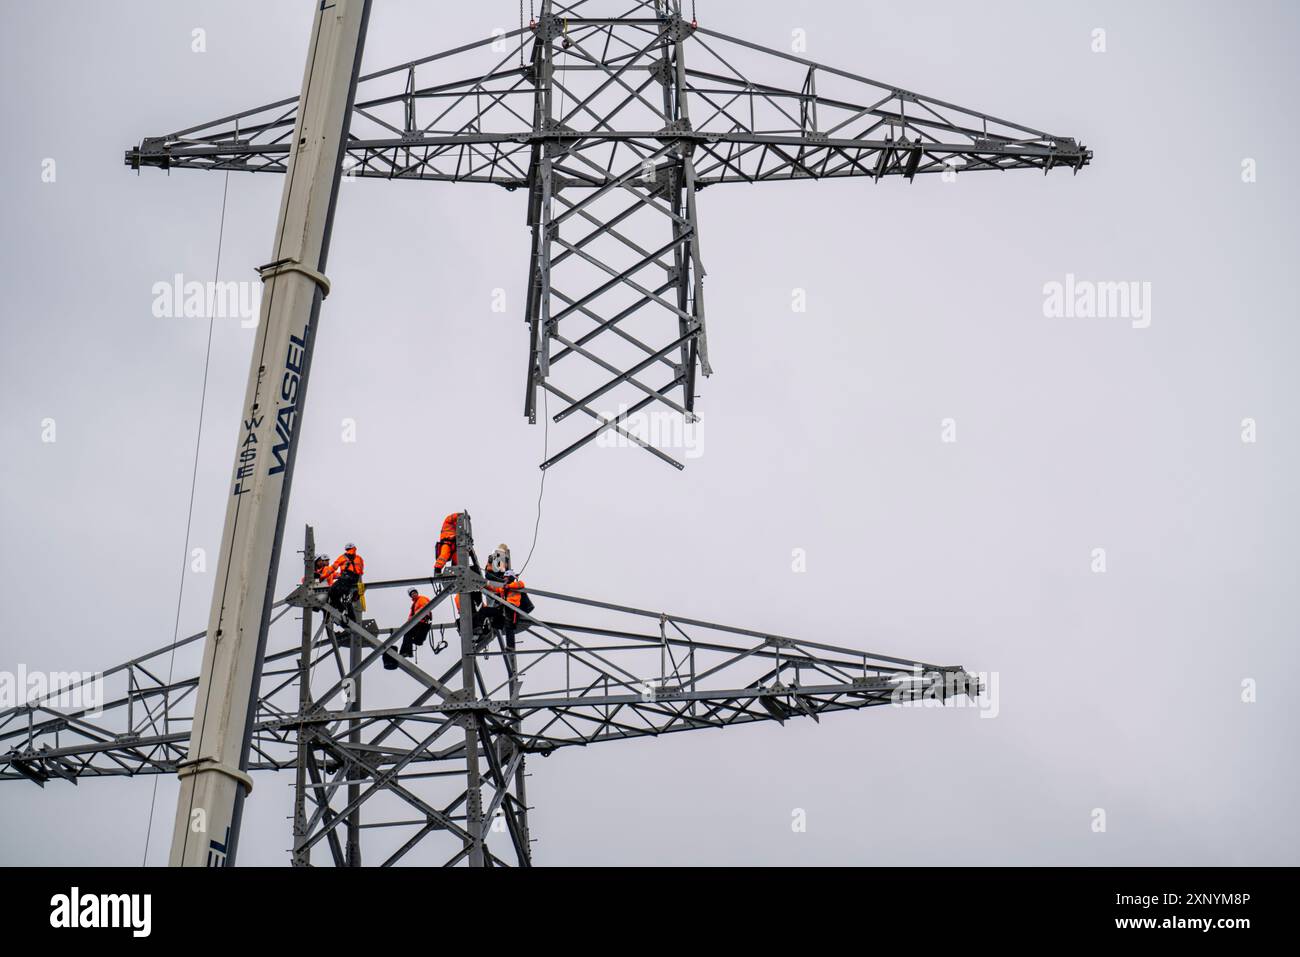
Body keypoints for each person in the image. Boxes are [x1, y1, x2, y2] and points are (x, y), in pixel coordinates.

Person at [327, 542, 365, 615]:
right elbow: (361, 571)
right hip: (355, 579)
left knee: (332, 592)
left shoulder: (343, 557)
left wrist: (325, 574)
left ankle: (342, 610)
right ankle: (351, 616)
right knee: (348, 598)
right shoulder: (359, 558)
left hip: (346, 578)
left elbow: (334, 567)